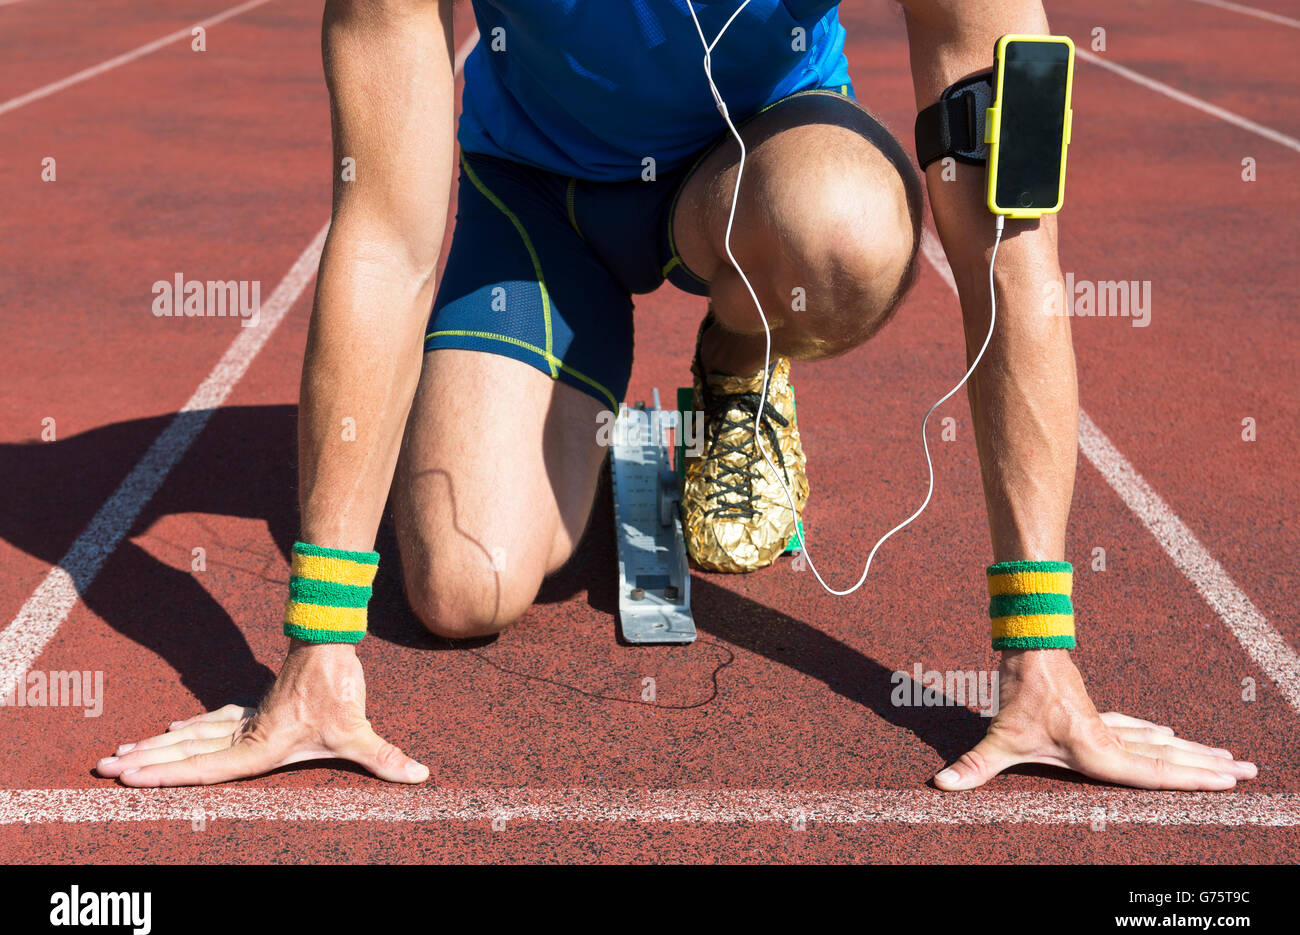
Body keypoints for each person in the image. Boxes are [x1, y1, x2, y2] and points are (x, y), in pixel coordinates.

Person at [98, 0, 1255, 791]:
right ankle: (591, 431)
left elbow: (1010, 239)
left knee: (845, 235)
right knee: (460, 587)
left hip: (762, 181)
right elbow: (385, 236)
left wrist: (1038, 650)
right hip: (536, 197)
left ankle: (741, 359)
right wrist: (315, 650)